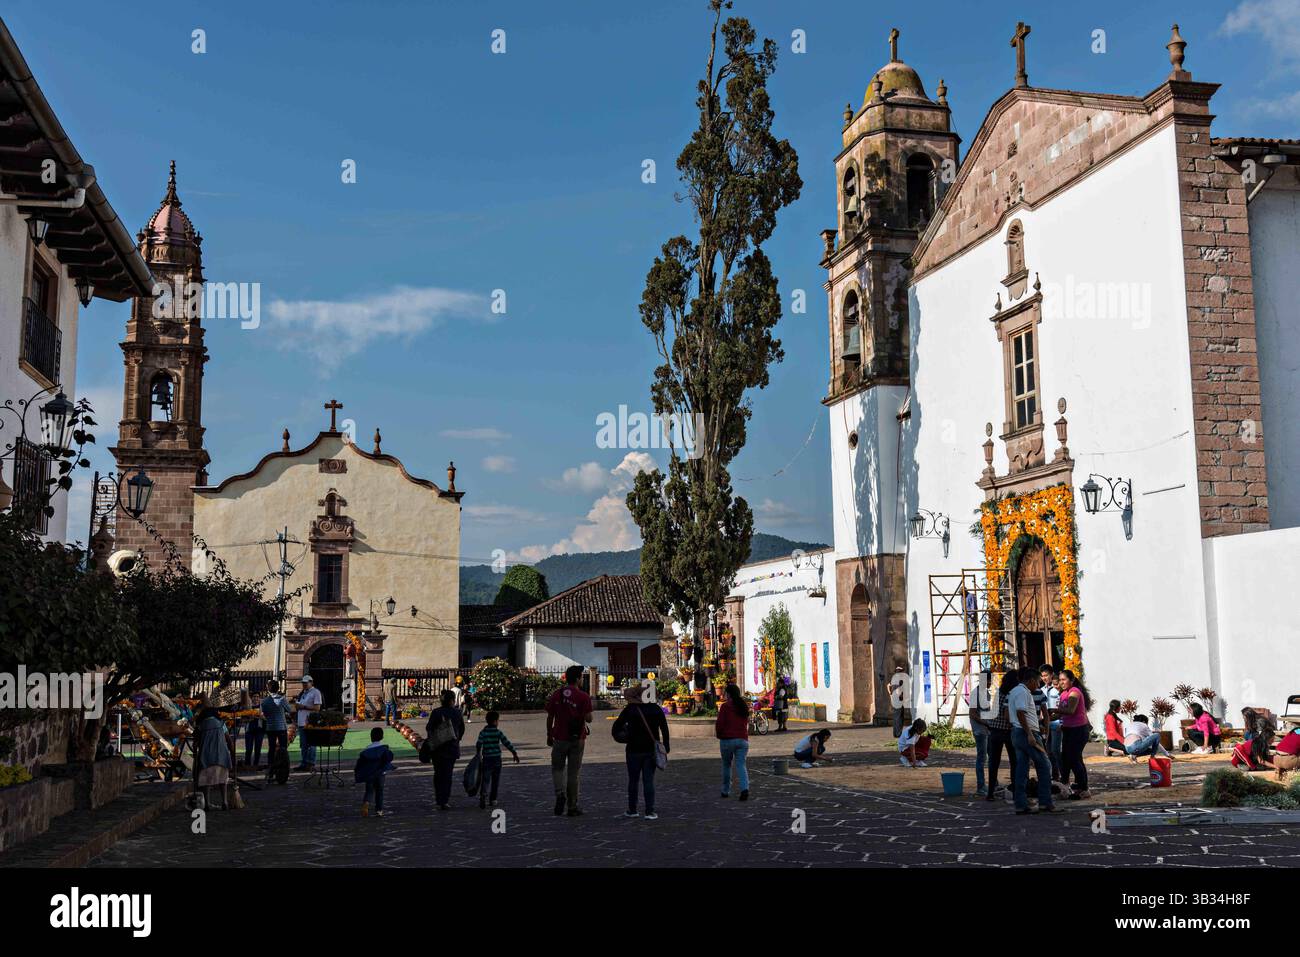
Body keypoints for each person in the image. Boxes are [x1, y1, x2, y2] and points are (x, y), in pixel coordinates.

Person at [612, 685, 670, 819]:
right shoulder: (656, 709)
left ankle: (632, 810)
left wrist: (625, 737)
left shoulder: (630, 709)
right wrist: (666, 746)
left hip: (633, 749)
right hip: (650, 750)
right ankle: (649, 811)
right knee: (648, 780)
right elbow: (664, 729)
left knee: (633, 780)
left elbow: (616, 728)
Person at [1008, 668, 1059, 815]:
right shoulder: (1022, 692)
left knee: (1022, 769)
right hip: (1026, 733)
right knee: (1045, 765)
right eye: (1037, 682)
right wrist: (1030, 734)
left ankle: (1021, 804)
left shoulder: (1015, 691)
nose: (1037, 685)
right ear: (1030, 680)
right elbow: (1020, 712)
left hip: (1018, 733)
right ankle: (1045, 802)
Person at [545, 665, 593, 817]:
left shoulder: (557, 694)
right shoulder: (583, 696)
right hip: (577, 738)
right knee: (574, 773)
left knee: (557, 768)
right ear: (578, 679)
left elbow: (550, 716)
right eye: (581, 677)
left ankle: (559, 793)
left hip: (559, 736)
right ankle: (572, 806)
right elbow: (589, 719)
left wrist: (549, 734)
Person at [1056, 668, 1093, 799]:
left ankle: (1084, 788)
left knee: (1074, 758)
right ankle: (1068, 785)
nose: (1061, 682)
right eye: (1060, 680)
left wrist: (1054, 710)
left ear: (1071, 680)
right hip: (1067, 729)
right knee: (1065, 758)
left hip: (1078, 729)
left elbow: (1070, 710)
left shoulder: (1075, 692)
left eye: (1064, 679)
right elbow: (1061, 713)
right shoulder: (1063, 693)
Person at [426, 689, 465, 810]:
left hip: (438, 748)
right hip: (451, 748)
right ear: (452, 700)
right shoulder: (457, 713)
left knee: (438, 774)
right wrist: (457, 739)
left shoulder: (436, 712)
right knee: (448, 775)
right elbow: (462, 729)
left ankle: (439, 798)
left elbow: (429, 728)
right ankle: (445, 800)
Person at [985, 670, 1019, 801]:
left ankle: (990, 792)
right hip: (1008, 730)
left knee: (994, 762)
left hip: (994, 729)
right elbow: (1008, 714)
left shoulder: (1000, 691)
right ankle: (1015, 790)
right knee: (1014, 761)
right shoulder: (1013, 693)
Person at [475, 710, 520, 809]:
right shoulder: (498, 732)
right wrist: (514, 753)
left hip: (487, 759)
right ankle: (493, 799)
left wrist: (478, 753)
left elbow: (478, 743)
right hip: (496, 759)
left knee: (485, 779)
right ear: (495, 721)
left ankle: (483, 795)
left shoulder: (483, 732)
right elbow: (506, 742)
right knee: (495, 780)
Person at [715, 683, 750, 801]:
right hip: (742, 740)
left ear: (728, 694)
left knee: (726, 765)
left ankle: (725, 790)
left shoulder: (725, 706)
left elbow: (720, 724)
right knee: (741, 765)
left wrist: (719, 735)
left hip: (727, 740)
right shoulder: (743, 706)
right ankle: (744, 788)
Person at [195, 707, 232, 810]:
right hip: (221, 755)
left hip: (206, 756)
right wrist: (232, 755)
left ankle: (207, 803)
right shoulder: (221, 724)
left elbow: (195, 742)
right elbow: (229, 741)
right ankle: (224, 802)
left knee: (206, 781)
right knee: (222, 780)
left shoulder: (200, 725)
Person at [354, 726, 395, 817]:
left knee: (369, 791)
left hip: (369, 774)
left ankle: (366, 804)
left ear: (371, 737)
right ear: (382, 737)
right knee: (380, 792)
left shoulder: (366, 750)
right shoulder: (384, 749)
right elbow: (389, 758)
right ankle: (379, 810)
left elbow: (360, 764)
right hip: (381, 773)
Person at [967, 670, 992, 796]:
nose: (990, 683)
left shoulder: (986, 693)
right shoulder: (975, 693)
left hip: (986, 729)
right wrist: (985, 723)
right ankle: (981, 786)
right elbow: (972, 713)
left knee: (991, 756)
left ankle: (993, 783)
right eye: (989, 680)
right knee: (981, 758)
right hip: (979, 730)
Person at [291, 675, 322, 772]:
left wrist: (303, 707)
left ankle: (310, 763)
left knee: (311, 744)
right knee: (303, 745)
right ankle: (304, 763)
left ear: (311, 682)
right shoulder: (303, 693)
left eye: (306, 683)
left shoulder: (315, 692)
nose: (304, 684)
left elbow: (317, 708)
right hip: (301, 722)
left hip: (310, 722)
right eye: (303, 683)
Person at [260, 680, 291, 771]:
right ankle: (283, 767)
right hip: (281, 727)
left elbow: (263, 714)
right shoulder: (282, 699)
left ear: (268, 689)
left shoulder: (264, 701)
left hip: (270, 727)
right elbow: (289, 709)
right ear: (278, 688)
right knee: (283, 748)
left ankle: (271, 766)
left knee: (272, 747)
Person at [1040, 666, 1063, 779]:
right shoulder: (1041, 690)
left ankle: (1063, 773)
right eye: (1042, 676)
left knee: (1055, 750)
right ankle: (1054, 774)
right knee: (1048, 750)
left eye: (1046, 675)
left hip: (1056, 723)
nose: (1044, 678)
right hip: (1046, 724)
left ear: (1051, 675)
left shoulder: (1057, 689)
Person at [244, 694, 266, 768]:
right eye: (254, 696)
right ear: (251, 698)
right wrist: (249, 718)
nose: (256, 698)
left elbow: (266, 718)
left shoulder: (263, 707)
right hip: (249, 730)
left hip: (259, 730)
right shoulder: (248, 707)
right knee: (248, 748)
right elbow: (243, 719)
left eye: (257, 697)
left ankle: (256, 764)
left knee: (258, 748)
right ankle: (247, 764)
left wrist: (261, 716)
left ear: (259, 698)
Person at [890, 666, 911, 738]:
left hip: (894, 699)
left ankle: (895, 733)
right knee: (899, 717)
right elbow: (899, 690)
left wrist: (890, 694)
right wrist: (903, 698)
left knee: (896, 716)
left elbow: (888, 685)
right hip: (898, 699)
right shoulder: (899, 679)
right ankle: (898, 733)